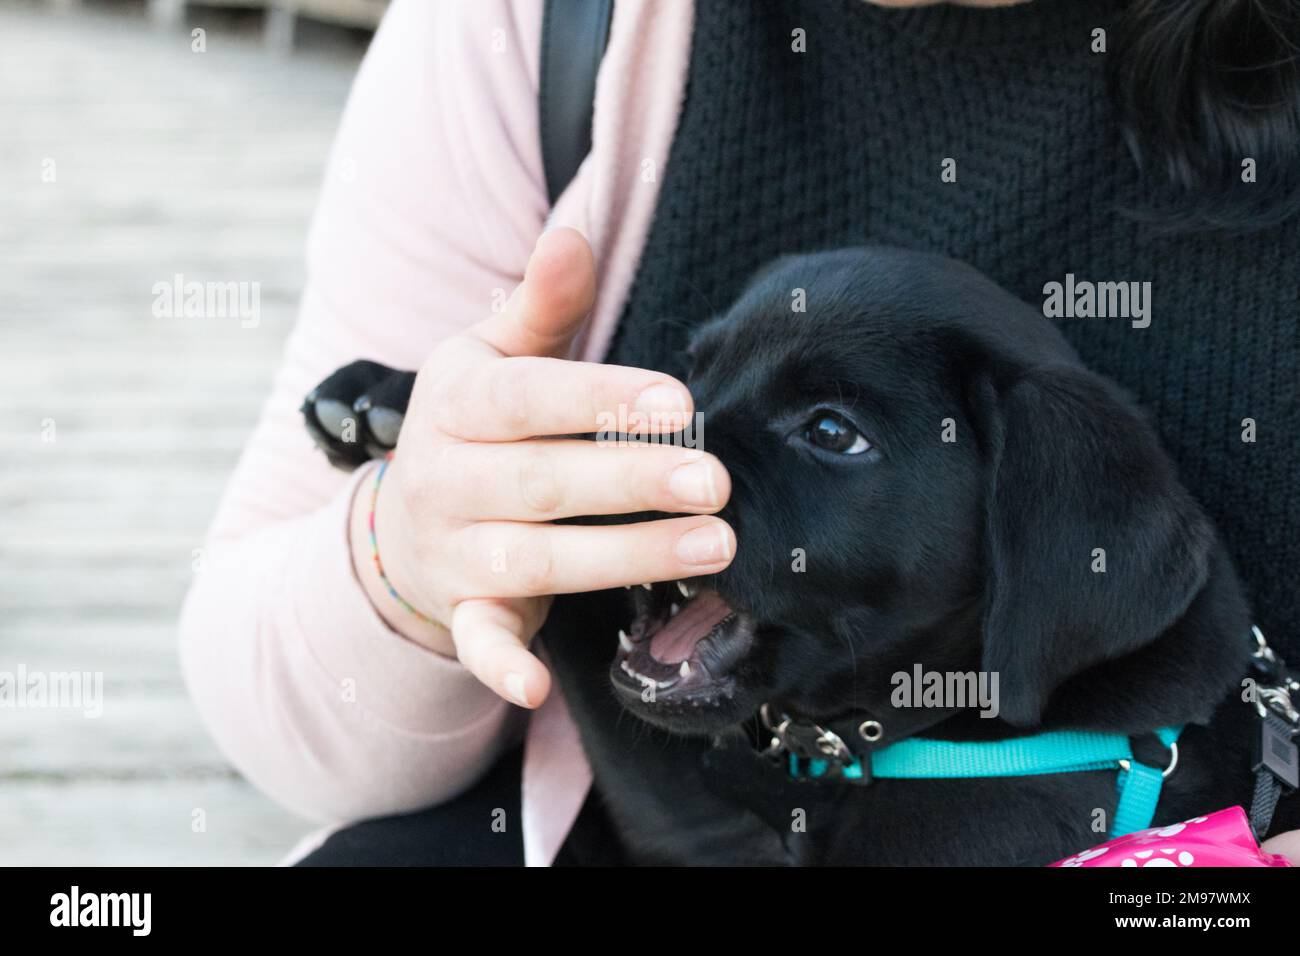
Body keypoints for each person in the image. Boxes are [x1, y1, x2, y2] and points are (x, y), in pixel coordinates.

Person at [180, 0, 1300, 865]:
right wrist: (409, 556)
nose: (693, 456)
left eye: (825, 430)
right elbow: (271, 703)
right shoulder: (546, 28)